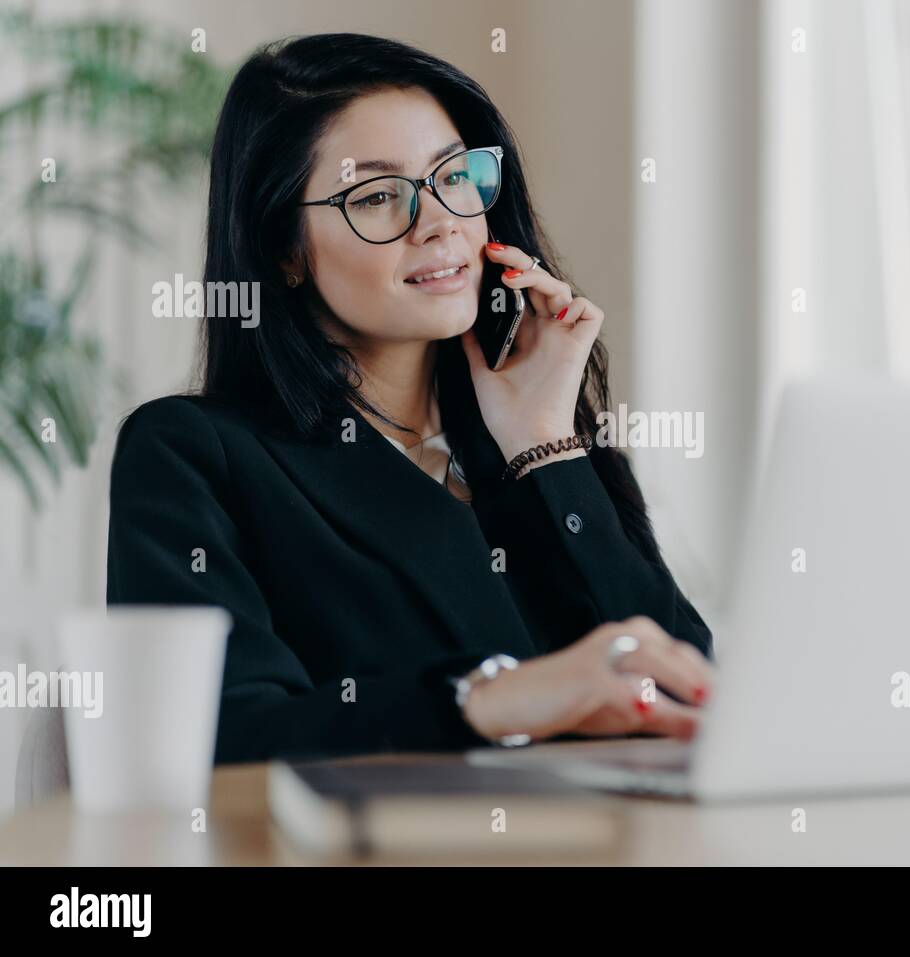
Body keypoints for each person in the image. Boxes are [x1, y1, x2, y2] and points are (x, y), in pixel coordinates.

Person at [106, 34, 713, 763]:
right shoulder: (195, 453)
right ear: (285, 249)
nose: (441, 223)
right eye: (378, 196)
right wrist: (486, 696)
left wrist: (544, 441)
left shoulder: (531, 444)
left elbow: (687, 688)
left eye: (455, 176)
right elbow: (226, 736)